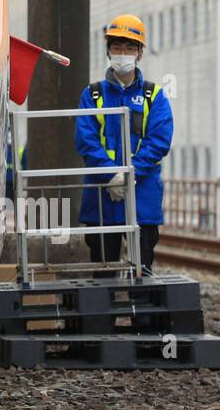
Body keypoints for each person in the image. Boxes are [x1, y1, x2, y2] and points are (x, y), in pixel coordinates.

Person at [73, 14, 173, 276]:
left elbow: (159, 142)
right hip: (101, 199)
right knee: (102, 274)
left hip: (142, 198)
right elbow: (86, 140)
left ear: (140, 53)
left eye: (130, 48)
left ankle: (141, 317)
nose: (123, 53)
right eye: (117, 47)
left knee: (142, 272)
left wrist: (127, 176)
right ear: (108, 51)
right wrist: (111, 175)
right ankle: (102, 319)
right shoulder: (93, 95)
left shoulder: (154, 96)